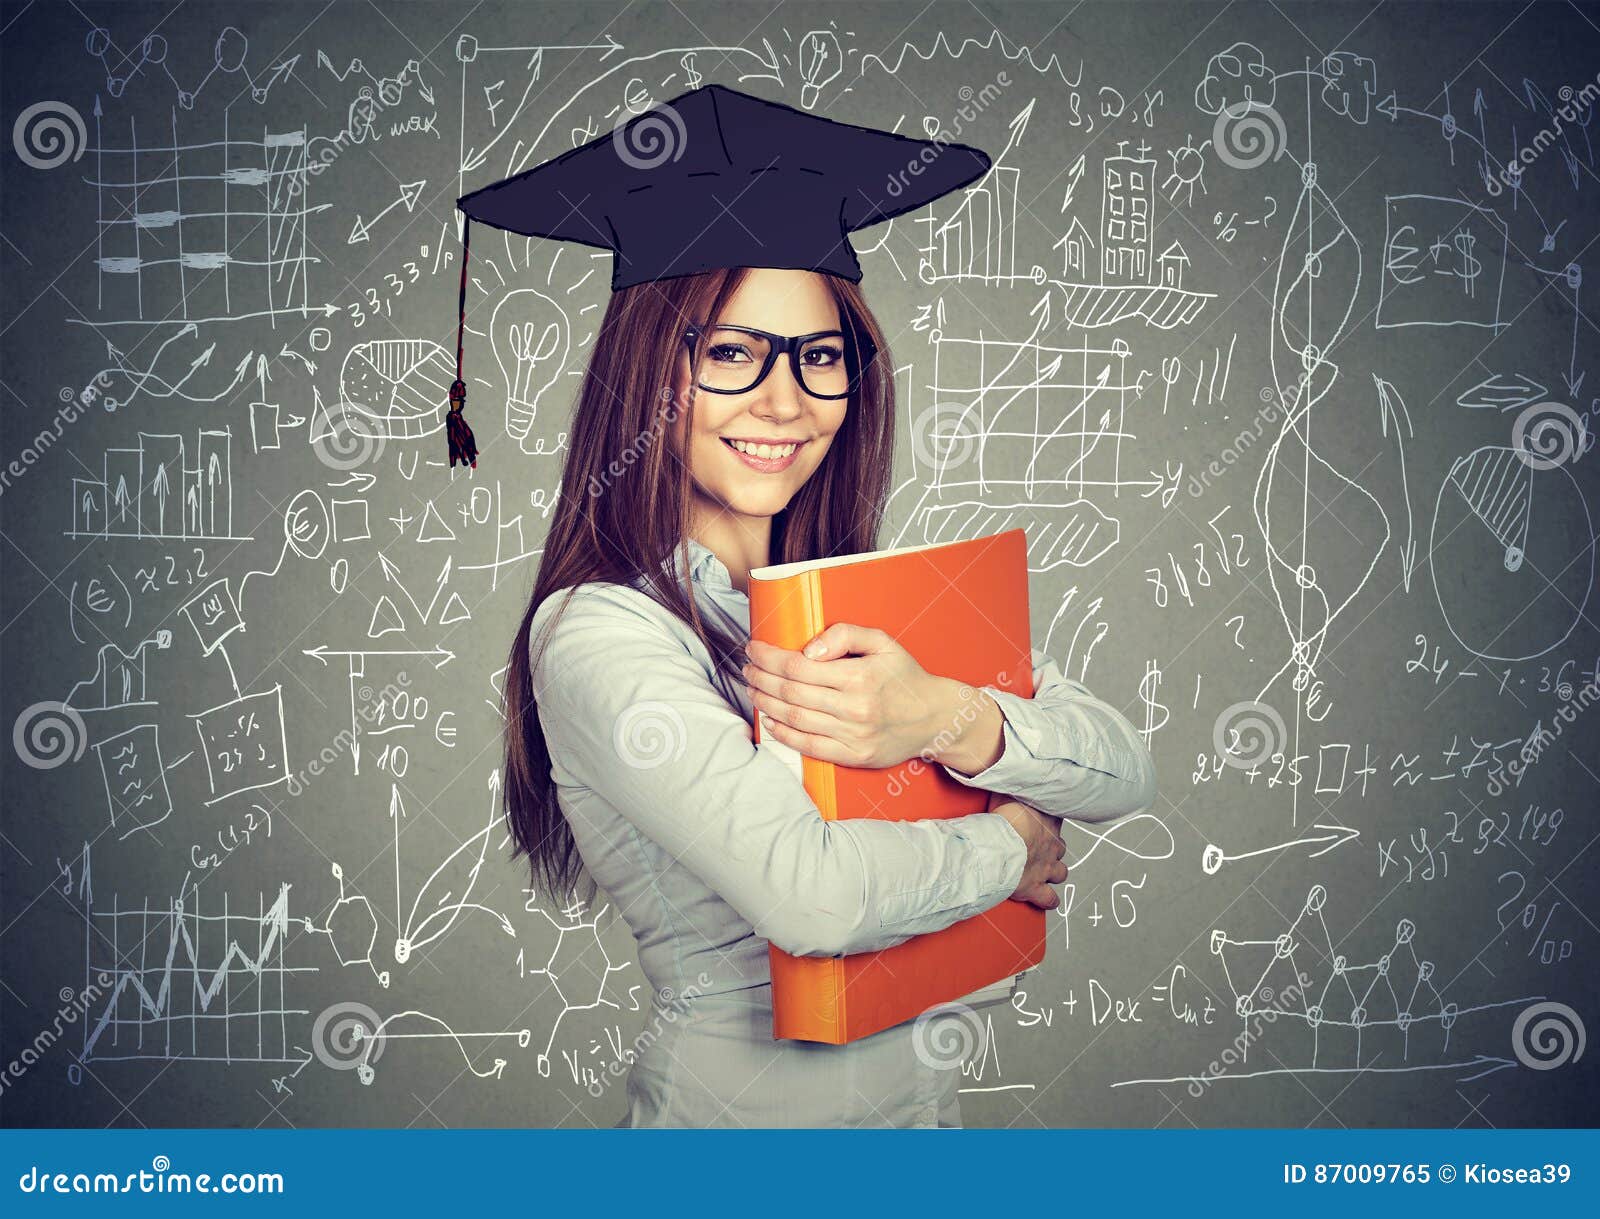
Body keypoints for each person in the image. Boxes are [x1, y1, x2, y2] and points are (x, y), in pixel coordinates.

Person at [471, 85, 1158, 1126]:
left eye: (819, 355)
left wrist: (940, 717)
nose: (784, 401)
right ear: (648, 373)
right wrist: (1013, 844)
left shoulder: (873, 601)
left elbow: (1120, 765)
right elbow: (814, 895)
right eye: (731, 353)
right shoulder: (601, 629)